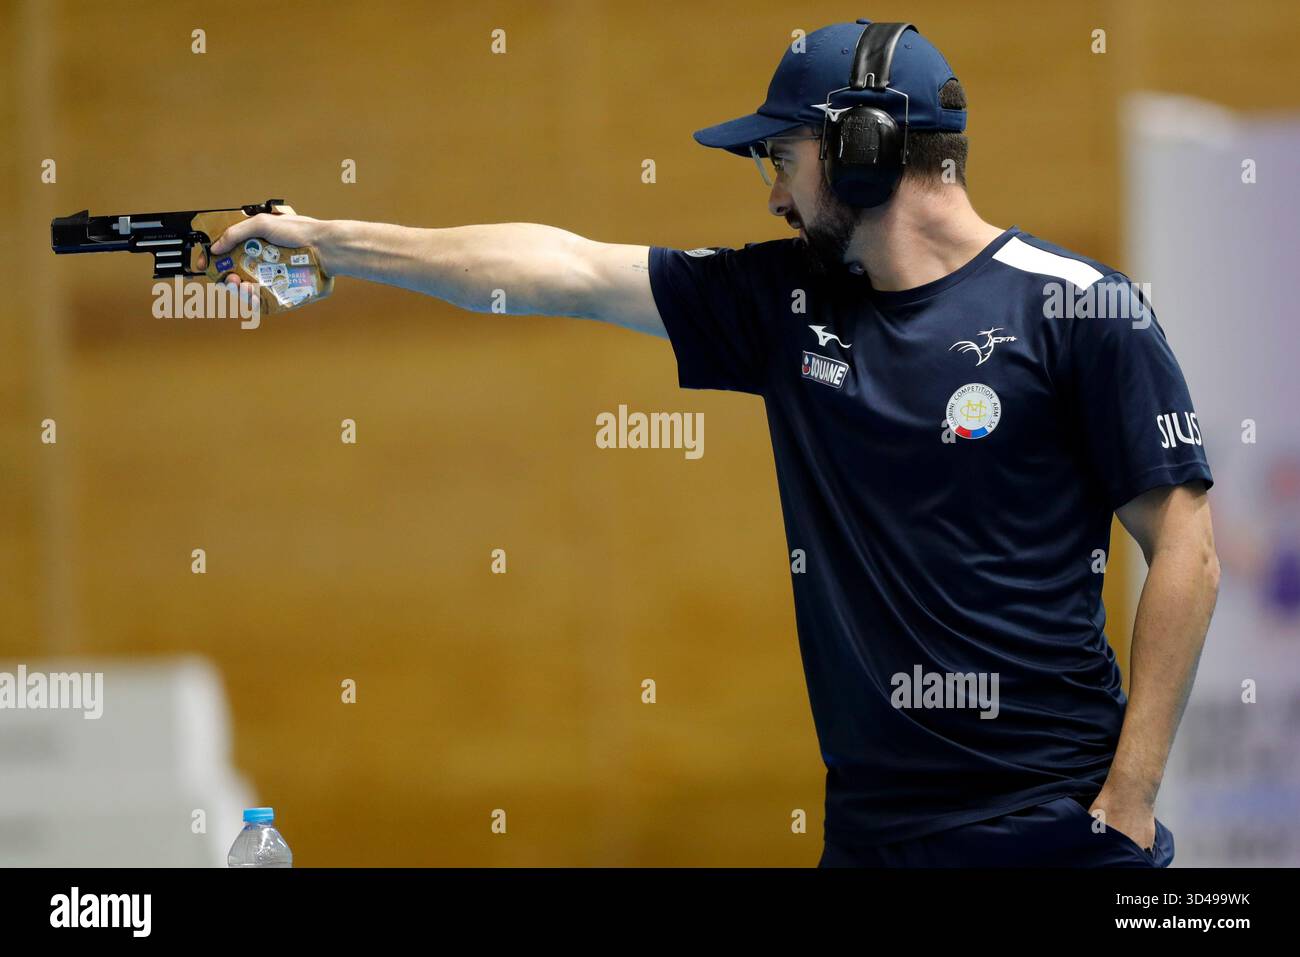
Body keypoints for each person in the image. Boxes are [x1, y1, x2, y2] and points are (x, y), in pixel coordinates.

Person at [204, 20, 1220, 867]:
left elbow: (1187, 551)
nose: (771, 192)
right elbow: (554, 266)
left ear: (863, 150)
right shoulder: (780, 303)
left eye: (782, 157)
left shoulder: (1081, 310)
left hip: (1056, 827)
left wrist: (1129, 799)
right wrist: (328, 241)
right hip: (873, 836)